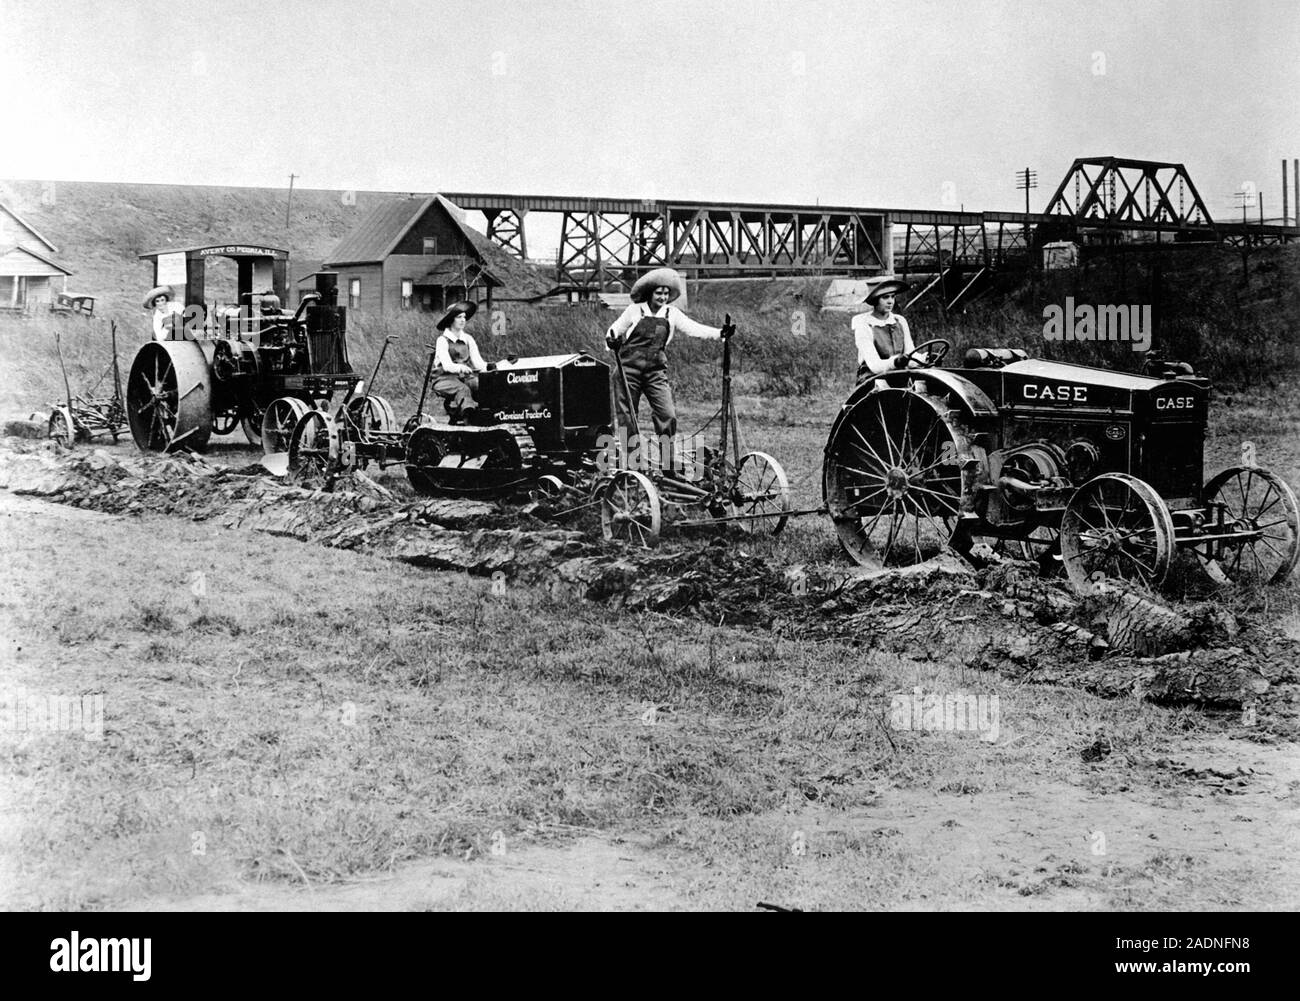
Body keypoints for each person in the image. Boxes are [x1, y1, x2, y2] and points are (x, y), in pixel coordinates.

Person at [604, 267, 734, 442]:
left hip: (655, 372)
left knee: (668, 415)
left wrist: (720, 333)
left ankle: (667, 463)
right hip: (627, 371)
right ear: (650, 293)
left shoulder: (671, 313)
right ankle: (631, 463)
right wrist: (611, 341)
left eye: (666, 294)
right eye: (659, 293)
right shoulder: (634, 310)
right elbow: (614, 329)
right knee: (628, 417)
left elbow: (692, 328)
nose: (663, 298)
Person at [851, 278, 928, 380]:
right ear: (875, 300)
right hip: (873, 379)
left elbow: (910, 353)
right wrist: (896, 362)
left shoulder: (899, 321)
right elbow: (874, 365)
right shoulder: (864, 325)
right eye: (885, 297)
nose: (890, 301)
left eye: (893, 297)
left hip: (899, 375)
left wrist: (924, 359)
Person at [431, 300, 488, 422]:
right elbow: (447, 366)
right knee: (463, 389)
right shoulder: (442, 340)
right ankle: (468, 419)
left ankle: (486, 416)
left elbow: (479, 362)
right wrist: (461, 368)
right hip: (443, 379)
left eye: (464, 317)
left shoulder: (468, 339)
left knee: (482, 385)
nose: (463, 320)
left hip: (463, 378)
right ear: (451, 319)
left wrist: (493, 367)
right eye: (459, 317)